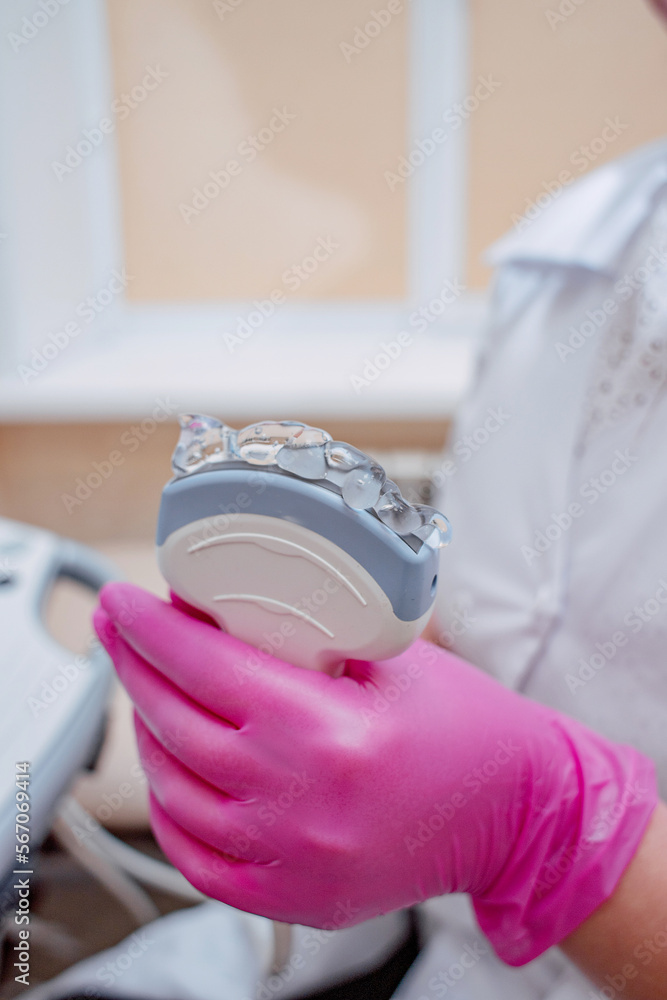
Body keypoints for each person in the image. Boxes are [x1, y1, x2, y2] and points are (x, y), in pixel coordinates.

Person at [92, 15, 667, 1000]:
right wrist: (308, 698)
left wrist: (555, 837)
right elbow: (487, 623)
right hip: (425, 951)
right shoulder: (573, 254)